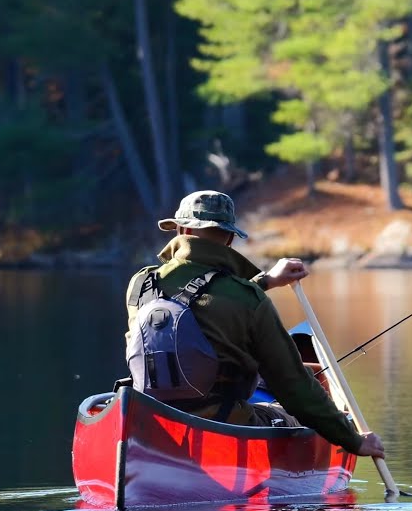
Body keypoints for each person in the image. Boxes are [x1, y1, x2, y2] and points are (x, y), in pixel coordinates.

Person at [125, 190, 385, 458]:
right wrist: (353, 440)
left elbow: (197, 305)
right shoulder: (248, 299)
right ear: (229, 238)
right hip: (225, 425)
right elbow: (293, 386)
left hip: (151, 420)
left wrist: (266, 281)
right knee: (293, 410)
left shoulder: (142, 285)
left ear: (182, 230)